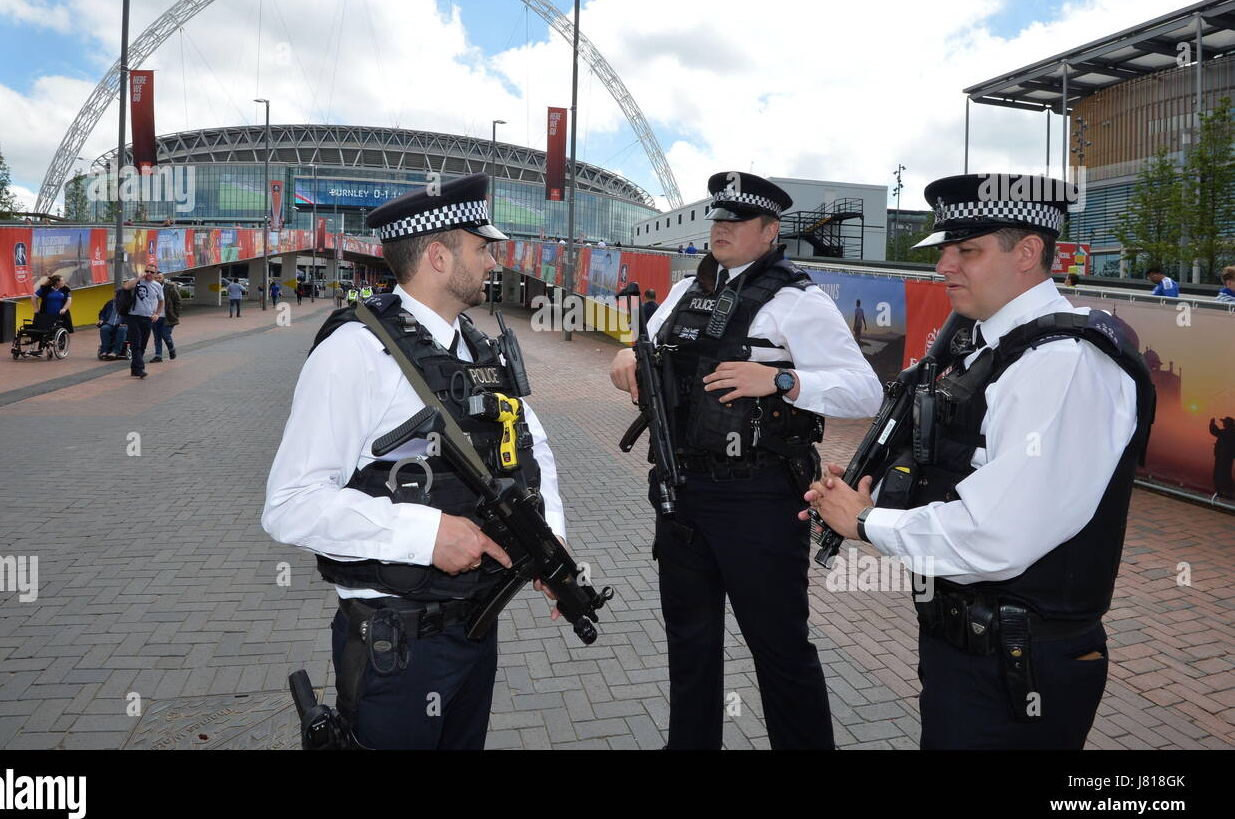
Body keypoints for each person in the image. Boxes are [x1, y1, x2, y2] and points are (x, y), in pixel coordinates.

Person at [803, 173, 1156, 750]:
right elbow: (956, 472)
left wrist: (866, 523)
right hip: (970, 645)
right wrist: (874, 497)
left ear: (1028, 252)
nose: (945, 266)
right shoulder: (994, 349)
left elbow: (999, 531)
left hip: (1018, 660)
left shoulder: (1062, 364)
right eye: (945, 250)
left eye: (967, 250)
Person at [262, 173, 567, 750]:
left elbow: (533, 447)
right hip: (396, 649)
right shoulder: (355, 351)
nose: (493, 263)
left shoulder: (478, 348)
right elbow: (290, 503)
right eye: (481, 248)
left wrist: (549, 545)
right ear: (437, 256)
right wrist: (425, 534)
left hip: (477, 628)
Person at [610, 171, 881, 750]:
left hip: (758, 498)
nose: (721, 229)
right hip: (681, 493)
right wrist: (625, 357)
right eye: (717, 218)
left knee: (780, 649)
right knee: (690, 645)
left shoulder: (797, 300)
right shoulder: (689, 291)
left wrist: (780, 378)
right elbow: (645, 349)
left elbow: (864, 391)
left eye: (736, 221)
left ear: (770, 231)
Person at [121, 267, 164, 379]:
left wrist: (157, 314)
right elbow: (125, 287)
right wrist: (139, 277)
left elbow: (161, 301)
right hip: (133, 317)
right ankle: (140, 369)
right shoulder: (137, 281)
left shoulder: (157, 286)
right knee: (136, 343)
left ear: (155, 274)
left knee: (143, 345)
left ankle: (134, 369)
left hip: (148, 318)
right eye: (147, 271)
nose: (149, 273)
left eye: (151, 272)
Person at [151, 272, 180, 362]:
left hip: (168, 317)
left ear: (163, 278)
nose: (158, 279)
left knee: (165, 334)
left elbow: (178, 301)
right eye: (156, 278)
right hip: (155, 317)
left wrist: (175, 314)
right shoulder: (151, 287)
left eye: (160, 277)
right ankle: (158, 356)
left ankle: (171, 350)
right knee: (157, 337)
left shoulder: (170, 287)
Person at [1210, 417, 1235, 499]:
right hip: (1227, 457)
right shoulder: (1231, 432)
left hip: (1223, 457)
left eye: (1224, 422)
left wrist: (1212, 424)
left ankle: (1222, 492)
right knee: (1225, 474)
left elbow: (1215, 432)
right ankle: (1227, 492)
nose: (1223, 423)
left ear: (1228, 424)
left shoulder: (1227, 432)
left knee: (1219, 474)